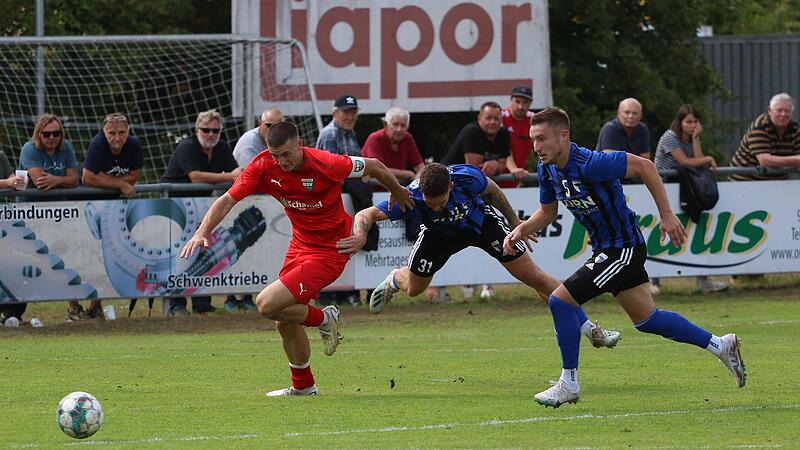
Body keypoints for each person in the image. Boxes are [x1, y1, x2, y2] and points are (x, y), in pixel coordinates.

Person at [505, 107, 745, 408]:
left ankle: (569, 383)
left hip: (623, 248)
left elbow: (645, 166)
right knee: (648, 320)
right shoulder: (546, 169)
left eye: (542, 139)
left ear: (564, 136)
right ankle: (720, 345)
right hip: (608, 249)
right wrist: (521, 229)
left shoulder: (591, 163)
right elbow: (548, 212)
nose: (536, 147)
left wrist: (667, 215)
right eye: (532, 140)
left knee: (559, 301)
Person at [180, 121, 413, 396]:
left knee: (266, 304)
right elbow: (227, 200)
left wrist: (397, 190)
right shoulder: (262, 166)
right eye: (275, 154)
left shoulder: (327, 163)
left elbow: (373, 164)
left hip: (331, 250)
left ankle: (325, 318)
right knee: (283, 320)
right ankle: (303, 386)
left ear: (299, 144)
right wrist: (202, 232)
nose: (280, 161)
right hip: (300, 246)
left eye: (286, 154)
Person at [337, 162, 621, 350]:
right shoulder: (413, 196)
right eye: (430, 204)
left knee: (535, 277)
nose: (436, 208)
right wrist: (361, 232)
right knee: (414, 289)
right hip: (438, 237)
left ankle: (589, 329)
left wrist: (514, 223)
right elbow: (367, 213)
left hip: (481, 225)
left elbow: (494, 190)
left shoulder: (466, 178)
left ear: (451, 187)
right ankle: (395, 280)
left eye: (441, 203)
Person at [161, 109, 243, 315]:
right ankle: (177, 305)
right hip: (176, 209)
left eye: (215, 130)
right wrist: (227, 177)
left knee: (204, 253)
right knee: (179, 256)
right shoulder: (186, 147)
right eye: (206, 130)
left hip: (203, 208)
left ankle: (202, 304)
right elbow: (196, 177)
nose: (211, 134)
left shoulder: (222, 147)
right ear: (197, 130)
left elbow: (237, 174)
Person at [18, 114, 88, 320]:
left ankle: (74, 307)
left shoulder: (65, 148)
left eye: (56, 133)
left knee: (67, 259)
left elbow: (74, 180)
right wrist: (62, 180)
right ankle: (14, 312)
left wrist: (56, 179)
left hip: (60, 213)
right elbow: (40, 182)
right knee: (26, 262)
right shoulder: (29, 149)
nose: (51, 138)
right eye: (46, 134)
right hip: (31, 213)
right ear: (39, 134)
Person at [442, 101, 516, 298]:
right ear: (479, 119)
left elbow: (500, 165)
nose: (492, 122)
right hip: (450, 193)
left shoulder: (504, 134)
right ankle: (444, 286)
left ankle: (479, 285)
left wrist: (494, 165)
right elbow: (473, 169)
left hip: (472, 193)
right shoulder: (472, 132)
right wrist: (494, 165)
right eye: (488, 118)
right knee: (446, 238)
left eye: (496, 118)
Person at [652, 104, 728, 294]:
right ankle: (655, 280)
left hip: (682, 187)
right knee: (660, 229)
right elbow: (686, 162)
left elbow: (697, 161)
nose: (692, 125)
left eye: (695, 121)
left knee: (692, 228)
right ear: (680, 122)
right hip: (663, 187)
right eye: (688, 122)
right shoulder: (670, 136)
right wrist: (709, 159)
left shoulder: (690, 137)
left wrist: (696, 139)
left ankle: (702, 278)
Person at [315, 94, 370, 306]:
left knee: (342, 243)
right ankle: (329, 292)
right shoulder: (330, 134)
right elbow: (330, 169)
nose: (350, 116)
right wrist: (360, 174)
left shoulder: (349, 133)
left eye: (353, 112)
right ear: (335, 112)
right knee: (333, 245)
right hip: (331, 197)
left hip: (342, 197)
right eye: (346, 112)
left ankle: (343, 291)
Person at [229, 107, 284, 311]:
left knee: (257, 250)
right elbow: (252, 178)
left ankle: (249, 296)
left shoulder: (282, 140)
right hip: (242, 202)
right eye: (269, 125)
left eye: (278, 126)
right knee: (239, 249)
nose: (273, 130)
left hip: (262, 203)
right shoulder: (249, 143)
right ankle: (234, 298)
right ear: (261, 124)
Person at [730, 92, 800, 180]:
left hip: (777, 182)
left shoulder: (794, 128)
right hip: (745, 180)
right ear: (770, 111)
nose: (783, 114)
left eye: (787, 111)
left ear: (792, 113)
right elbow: (765, 161)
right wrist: (796, 160)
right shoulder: (760, 126)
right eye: (779, 110)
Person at [362, 107, 425, 184]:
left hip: (397, 191)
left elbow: (420, 167)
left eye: (403, 125)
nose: (399, 129)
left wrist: (416, 181)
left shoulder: (407, 138)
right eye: (395, 124)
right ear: (386, 125)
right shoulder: (375, 138)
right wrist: (408, 174)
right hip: (374, 192)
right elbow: (378, 168)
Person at [499, 85, 535, 188]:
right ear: (511, 100)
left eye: (525, 102)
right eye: (517, 101)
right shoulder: (500, 117)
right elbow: (503, 147)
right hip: (494, 177)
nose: (520, 106)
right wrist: (513, 169)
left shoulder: (534, 119)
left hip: (515, 179)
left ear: (530, 103)